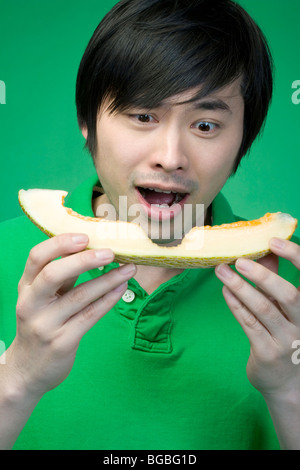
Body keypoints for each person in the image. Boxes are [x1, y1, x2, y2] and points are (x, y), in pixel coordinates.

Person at [1, 0, 299, 451]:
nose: (171, 156)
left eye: (205, 124)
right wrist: (18, 377)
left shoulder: (292, 287)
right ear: (87, 121)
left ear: (244, 140)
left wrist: (290, 390)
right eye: (143, 116)